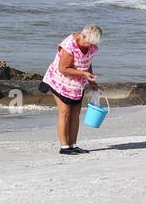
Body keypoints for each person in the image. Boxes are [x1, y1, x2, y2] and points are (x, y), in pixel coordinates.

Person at [40, 24, 102, 154]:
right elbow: (63, 68)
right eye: (89, 42)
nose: (90, 45)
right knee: (65, 113)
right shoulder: (69, 45)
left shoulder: (92, 46)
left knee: (75, 113)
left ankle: (73, 145)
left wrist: (91, 81)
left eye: (93, 43)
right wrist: (84, 74)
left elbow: (87, 62)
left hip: (77, 84)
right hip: (59, 81)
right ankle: (64, 147)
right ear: (83, 36)